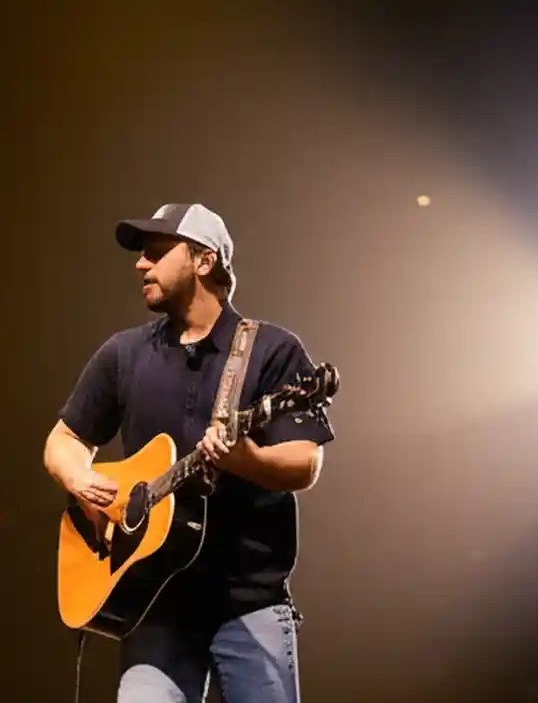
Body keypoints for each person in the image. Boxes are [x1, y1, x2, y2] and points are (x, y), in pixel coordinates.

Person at [43, 203, 335, 703]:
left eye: (156, 251)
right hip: (155, 606)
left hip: (248, 603)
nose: (140, 264)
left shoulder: (270, 350)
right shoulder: (123, 353)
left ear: (203, 261)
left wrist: (245, 459)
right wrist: (79, 481)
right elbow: (63, 441)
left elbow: (304, 461)